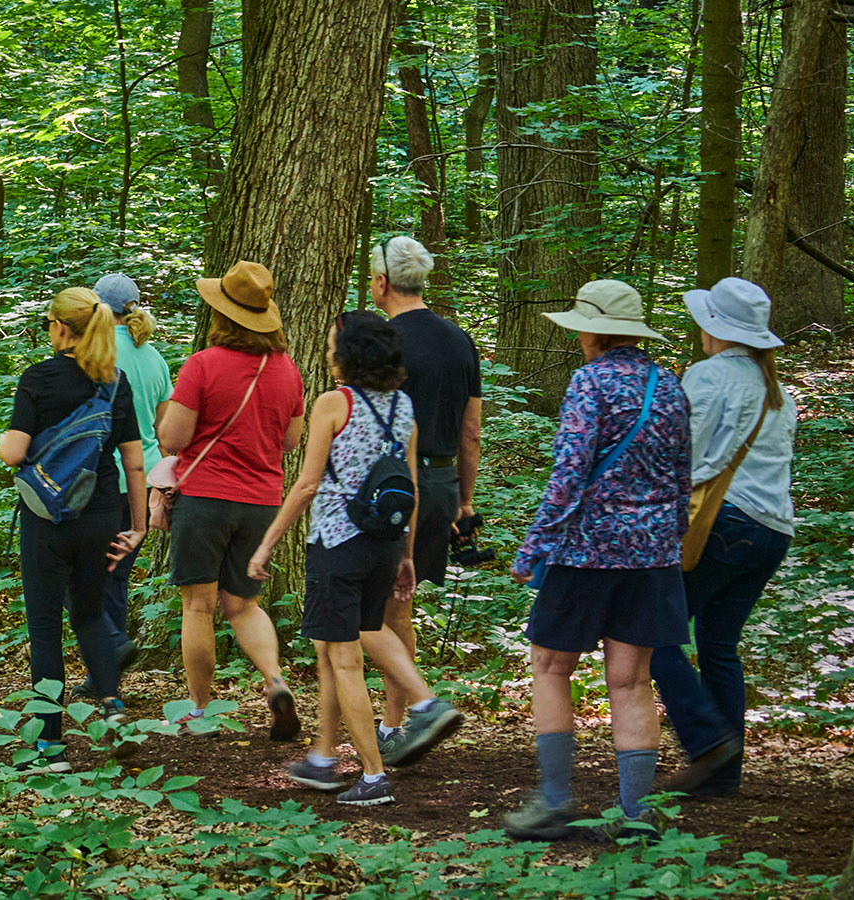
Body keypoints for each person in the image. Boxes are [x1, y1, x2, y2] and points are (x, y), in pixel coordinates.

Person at [503, 280, 692, 841]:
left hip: (585, 552)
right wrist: (670, 538)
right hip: (652, 557)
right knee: (631, 680)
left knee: (550, 665)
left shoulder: (590, 383)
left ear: (592, 331)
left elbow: (569, 473)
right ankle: (635, 814)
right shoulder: (669, 385)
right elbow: (683, 477)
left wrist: (535, 545)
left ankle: (555, 801)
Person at [248, 311, 457, 806]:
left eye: (332, 345)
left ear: (349, 355)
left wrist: (267, 542)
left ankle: (375, 774)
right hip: (384, 543)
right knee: (335, 647)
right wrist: (406, 555)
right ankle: (324, 758)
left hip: (337, 543)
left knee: (345, 659)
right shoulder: (403, 407)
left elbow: (307, 485)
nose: (327, 352)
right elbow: (411, 490)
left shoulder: (333, 403)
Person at [650, 278, 797, 799]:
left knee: (654, 634)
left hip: (723, 524)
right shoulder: (777, 389)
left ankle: (708, 741)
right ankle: (723, 775)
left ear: (715, 327)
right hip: (772, 530)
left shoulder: (708, 375)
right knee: (718, 645)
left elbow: (680, 453)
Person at [0, 286, 147, 768]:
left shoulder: (38, 378)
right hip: (101, 514)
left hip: (48, 518)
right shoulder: (115, 382)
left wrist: (6, 443)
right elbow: (134, 461)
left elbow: (14, 453)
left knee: (45, 629)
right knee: (89, 615)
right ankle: (114, 710)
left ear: (60, 327)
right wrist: (138, 526)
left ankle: (50, 746)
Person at [157, 261, 302, 739]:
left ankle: (200, 709)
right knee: (244, 605)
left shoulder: (202, 364)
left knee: (198, 606)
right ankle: (275, 680)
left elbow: (173, 438)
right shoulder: (288, 370)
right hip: (262, 502)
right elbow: (290, 441)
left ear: (222, 314)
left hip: (205, 498)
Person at [366, 236, 481, 764]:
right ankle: (395, 723)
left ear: (382, 283)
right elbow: (471, 430)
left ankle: (408, 716)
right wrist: (464, 501)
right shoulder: (460, 340)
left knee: (375, 610)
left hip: (388, 485)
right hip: (441, 483)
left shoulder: (380, 341)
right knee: (400, 605)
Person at [67, 273, 171, 699]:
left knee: (79, 571)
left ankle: (109, 648)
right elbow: (163, 429)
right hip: (145, 480)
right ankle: (105, 673)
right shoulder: (156, 358)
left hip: (102, 477)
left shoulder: (94, 352)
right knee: (115, 576)